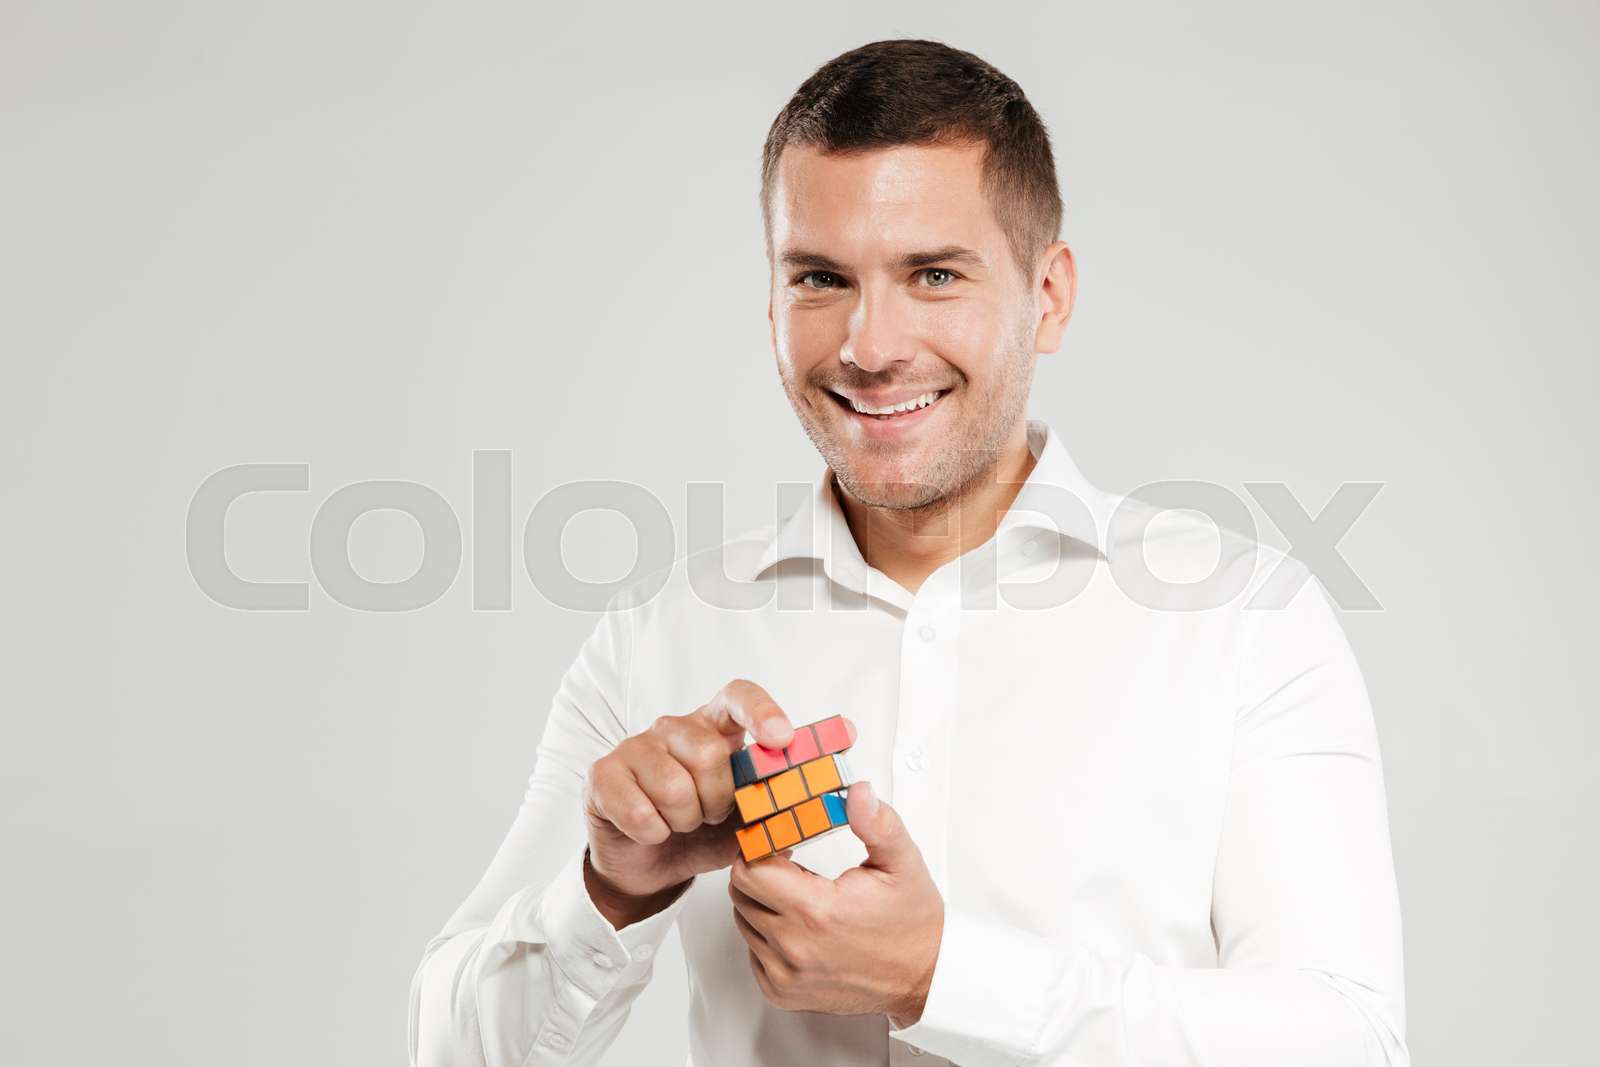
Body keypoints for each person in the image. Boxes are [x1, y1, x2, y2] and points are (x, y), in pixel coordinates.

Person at [408, 38, 1408, 1067]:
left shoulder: (1245, 619)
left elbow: (1349, 1040)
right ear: (769, 301)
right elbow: (449, 1049)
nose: (870, 345)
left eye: (933, 274)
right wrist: (610, 886)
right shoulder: (658, 637)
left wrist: (936, 974)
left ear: (1048, 296)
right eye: (819, 278)